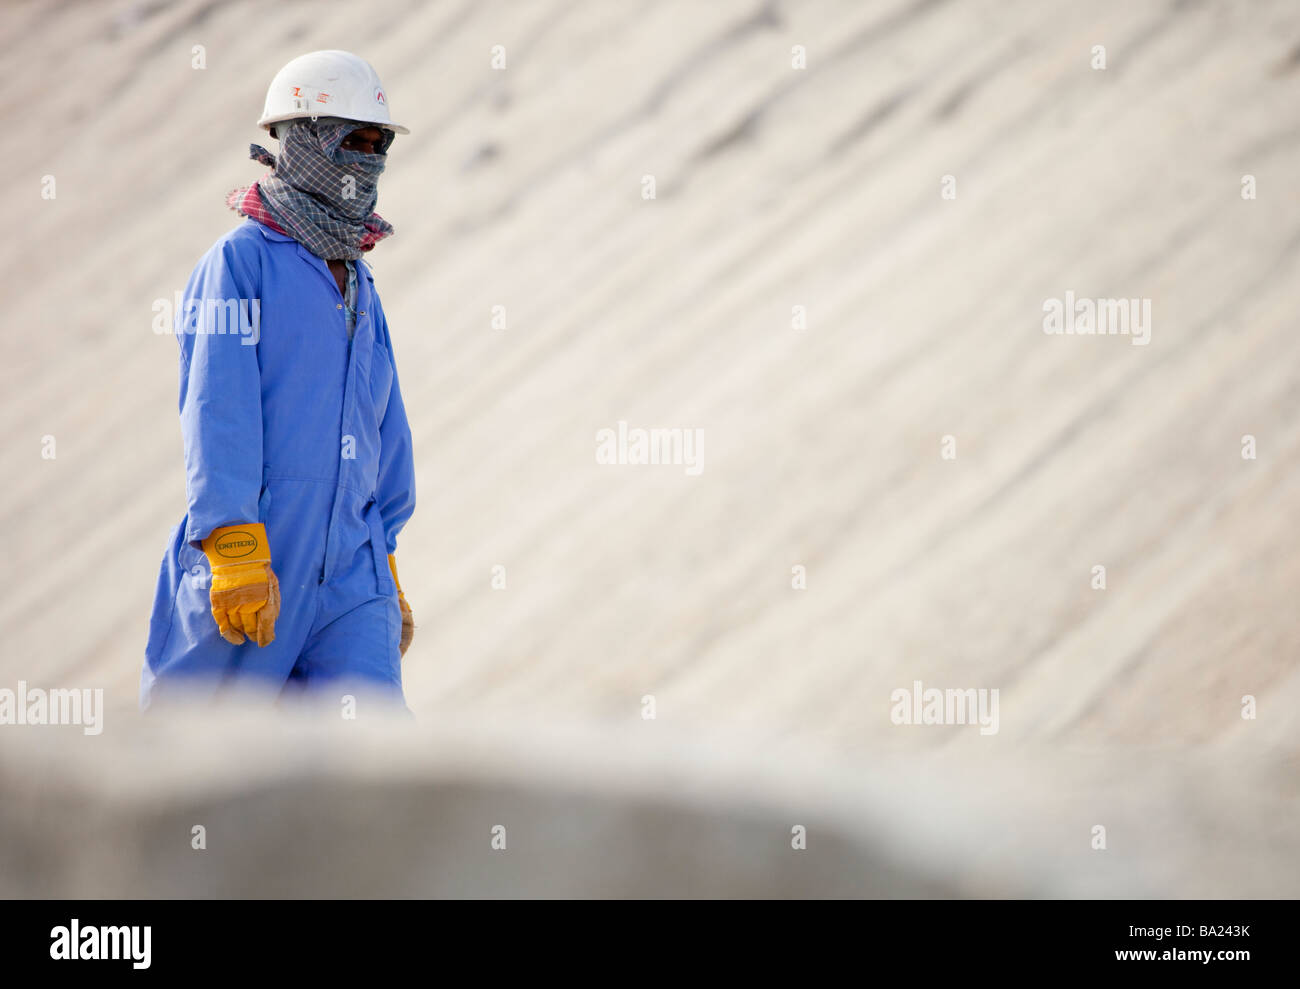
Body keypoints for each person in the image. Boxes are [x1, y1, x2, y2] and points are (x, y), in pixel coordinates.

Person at [142, 51, 416, 712]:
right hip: (256, 556)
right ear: (302, 141)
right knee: (197, 768)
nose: (368, 158)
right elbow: (218, 411)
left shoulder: (360, 281)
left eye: (377, 143)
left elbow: (385, 429)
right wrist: (235, 547)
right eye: (353, 140)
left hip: (353, 575)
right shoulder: (238, 264)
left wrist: (386, 565)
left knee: (372, 773)